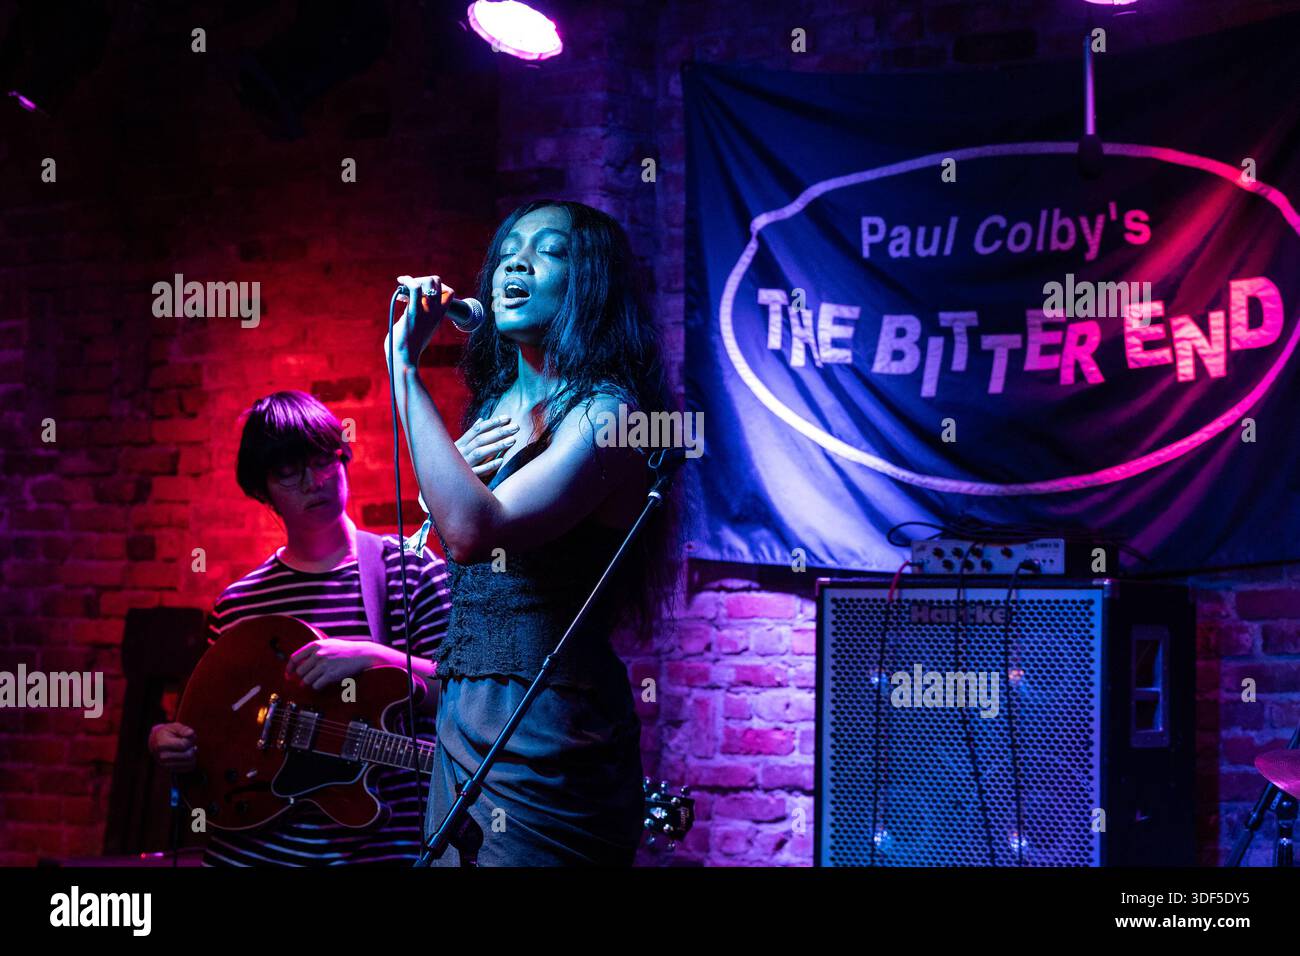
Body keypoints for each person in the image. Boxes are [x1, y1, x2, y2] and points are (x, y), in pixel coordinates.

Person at [386, 199, 680, 866]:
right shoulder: (495, 411)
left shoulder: (609, 415)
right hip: (463, 727)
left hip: (549, 737)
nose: (515, 260)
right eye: (509, 248)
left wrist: (405, 369)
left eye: (550, 250)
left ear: (592, 282)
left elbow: (471, 531)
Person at [148, 390, 452, 865]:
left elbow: (472, 698)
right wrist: (172, 745)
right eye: (288, 472)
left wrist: (375, 656)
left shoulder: (413, 573)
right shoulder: (239, 605)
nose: (314, 482)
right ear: (262, 490)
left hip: (379, 853)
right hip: (250, 855)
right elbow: (211, 731)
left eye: (321, 460)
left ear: (343, 459)